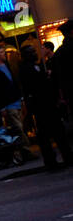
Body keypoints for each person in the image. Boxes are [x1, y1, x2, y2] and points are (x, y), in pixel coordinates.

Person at [18, 42, 72, 170]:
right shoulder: (26, 68)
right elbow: (32, 86)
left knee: (56, 132)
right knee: (48, 134)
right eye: (32, 52)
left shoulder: (36, 66)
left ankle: (64, 157)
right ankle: (53, 160)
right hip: (41, 105)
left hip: (47, 104)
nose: (35, 53)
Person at [0, 43, 25, 137]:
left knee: (20, 127)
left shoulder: (7, 64)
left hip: (17, 100)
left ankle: (22, 149)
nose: (4, 54)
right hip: (8, 104)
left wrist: (21, 97)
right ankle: (26, 149)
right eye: (1, 52)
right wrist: (2, 107)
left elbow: (13, 81)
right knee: (18, 128)